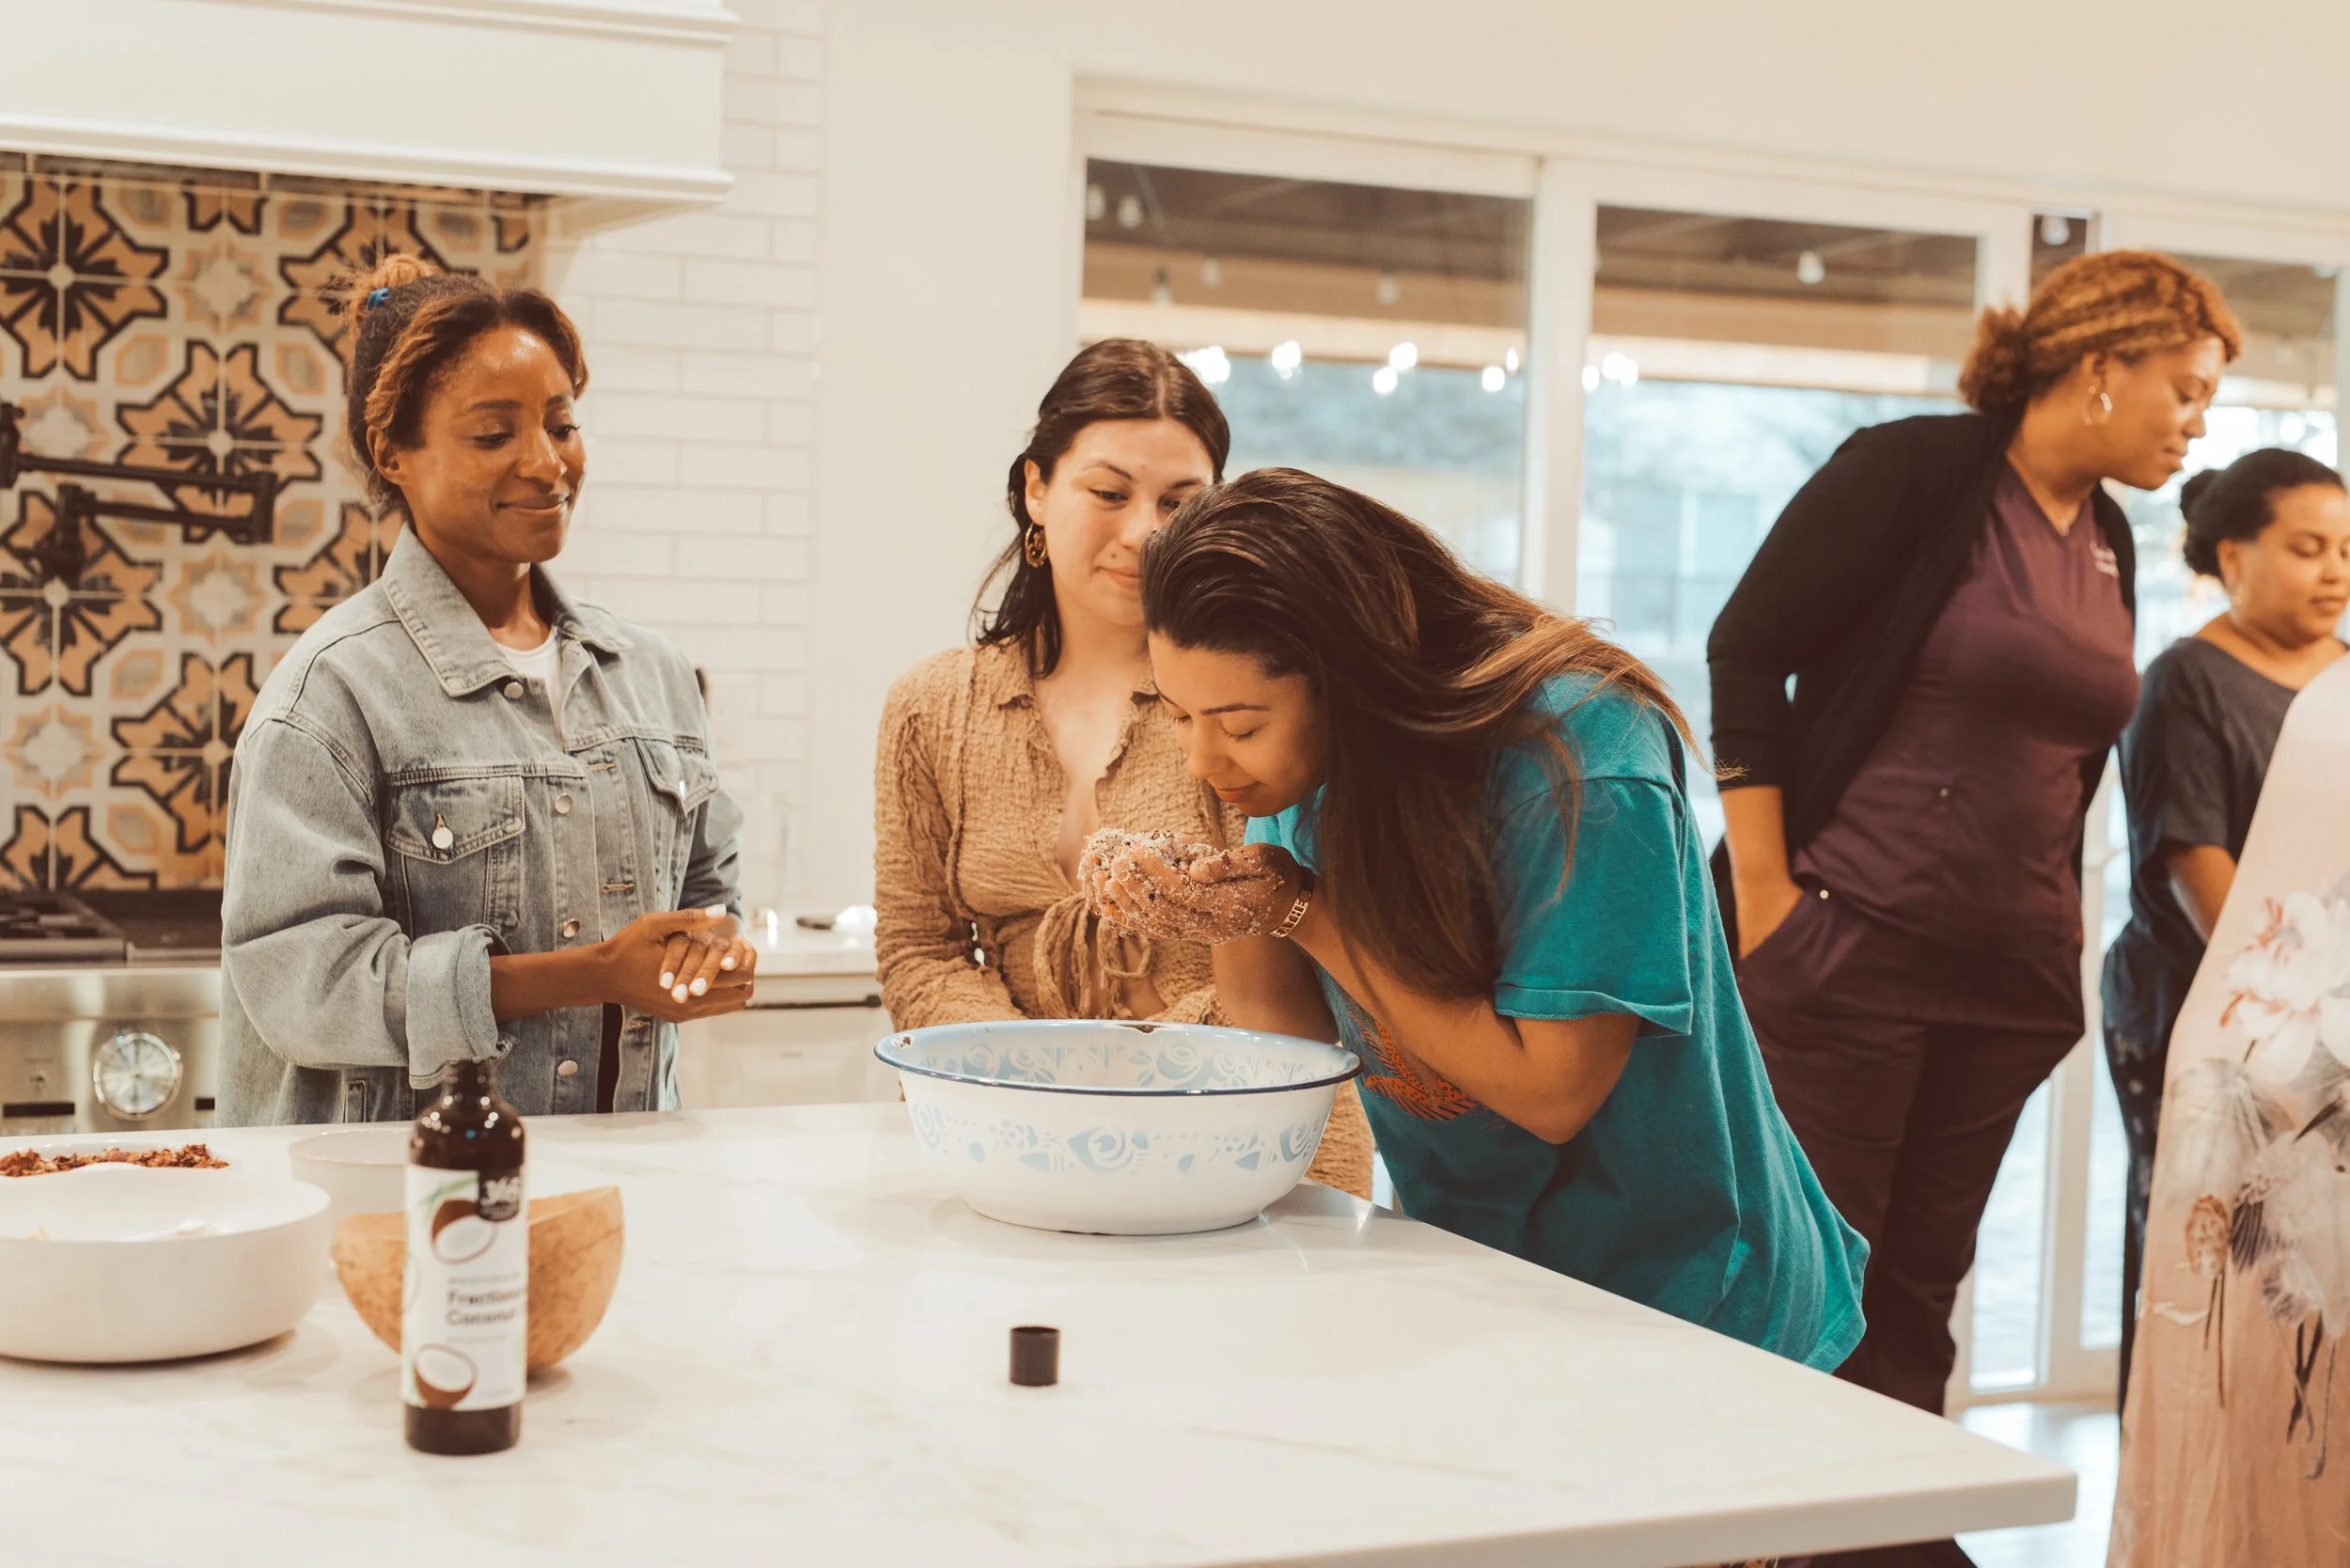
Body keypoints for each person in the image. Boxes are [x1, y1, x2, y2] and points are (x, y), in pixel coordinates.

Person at [1086, 468, 1865, 1375]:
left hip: (1689, 1297)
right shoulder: (1299, 768)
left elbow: (1553, 1095)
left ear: (1350, 681)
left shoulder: (1580, 758)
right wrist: (1231, 909)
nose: (1204, 758)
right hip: (1482, 1278)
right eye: (1179, 715)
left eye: (1240, 726)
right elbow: (1286, 1044)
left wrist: (1301, 909)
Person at [1703, 248, 2239, 1565]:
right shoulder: (1916, 471)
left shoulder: (2108, 537)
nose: (2196, 423)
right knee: (1818, 1281)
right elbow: (1746, 649)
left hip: (2004, 983)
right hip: (1847, 948)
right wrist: (1767, 899)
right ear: (2099, 366)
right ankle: (1768, 1536)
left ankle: (1885, 1532)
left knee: (1920, 1293)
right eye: (2184, 389)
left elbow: (2061, 765)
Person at [221, 255, 755, 1125]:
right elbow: (308, 990)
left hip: (624, 1170)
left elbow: (710, 889)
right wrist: (592, 975)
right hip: (400, 1182)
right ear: (391, 452)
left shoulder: (653, 675)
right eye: (493, 435)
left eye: (561, 424)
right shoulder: (331, 696)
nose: (546, 463)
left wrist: (711, 947)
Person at [872, 341, 1372, 1198]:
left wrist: (1118, 1076)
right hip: (1022, 1141)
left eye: (1179, 501)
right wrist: (1023, 1071)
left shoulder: (1263, 696)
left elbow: (1305, 952)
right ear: (1035, 488)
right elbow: (919, 948)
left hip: (1254, 1138)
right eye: (1109, 493)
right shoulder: (932, 708)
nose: (1145, 531)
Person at [2102, 447, 2350, 1399]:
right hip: (2206, 1017)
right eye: (2306, 548)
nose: (2334, 570)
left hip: (2330, 1030)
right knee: (2201, 1261)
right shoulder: (2185, 680)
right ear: (2234, 556)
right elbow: (2199, 873)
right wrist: (2302, 1018)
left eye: (2345, 550)